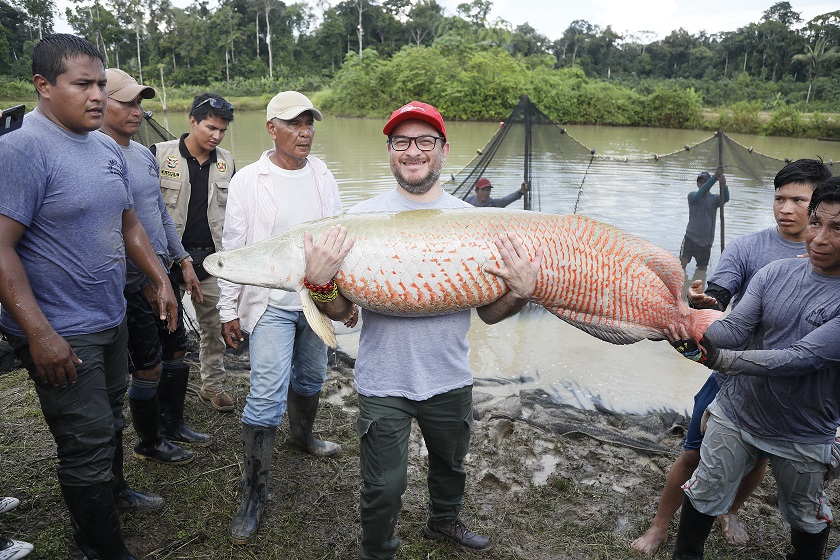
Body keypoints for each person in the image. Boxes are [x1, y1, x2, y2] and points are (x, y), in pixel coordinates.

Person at [303, 100, 543, 559]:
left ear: (443, 150)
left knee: (451, 466)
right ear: (391, 151)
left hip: (449, 377)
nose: (413, 152)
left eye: (424, 141)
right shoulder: (358, 221)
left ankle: (443, 521)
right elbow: (340, 312)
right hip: (383, 380)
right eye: (402, 142)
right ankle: (378, 550)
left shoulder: (475, 223)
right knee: (383, 486)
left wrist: (521, 293)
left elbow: (490, 315)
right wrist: (319, 284)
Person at [0, 34, 177, 559]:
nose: (98, 95)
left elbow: (128, 225)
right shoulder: (20, 152)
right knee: (85, 440)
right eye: (83, 84)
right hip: (60, 327)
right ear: (44, 86)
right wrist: (38, 334)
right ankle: (99, 547)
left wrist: (158, 278)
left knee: (112, 415)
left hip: (110, 312)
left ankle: (116, 491)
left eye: (101, 83)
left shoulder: (105, 146)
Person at [631, 158, 833, 556]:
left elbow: (801, 358)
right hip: (735, 391)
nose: (787, 209)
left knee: (784, 490)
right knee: (696, 461)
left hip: (799, 416)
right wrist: (692, 315)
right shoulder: (761, 258)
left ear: (816, 205)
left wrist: (712, 355)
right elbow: (728, 315)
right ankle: (664, 530)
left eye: (799, 201)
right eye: (779, 198)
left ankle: (731, 511)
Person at [218, 91, 351, 544]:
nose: (305, 132)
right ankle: (253, 495)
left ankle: (302, 438)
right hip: (270, 305)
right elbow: (237, 248)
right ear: (272, 128)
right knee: (264, 395)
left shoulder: (323, 174)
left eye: (309, 123)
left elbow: (339, 241)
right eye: (294, 124)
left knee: (312, 379)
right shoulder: (248, 181)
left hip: (315, 301)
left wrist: (344, 300)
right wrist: (227, 308)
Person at [102, 68, 211, 468]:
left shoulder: (143, 153)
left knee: (177, 348)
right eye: (127, 102)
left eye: (139, 103)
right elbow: (115, 227)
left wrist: (181, 259)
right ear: (100, 101)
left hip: (162, 273)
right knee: (146, 365)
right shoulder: (102, 157)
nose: (137, 111)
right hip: (133, 282)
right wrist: (148, 278)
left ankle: (173, 423)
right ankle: (148, 441)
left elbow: (160, 214)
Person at [151, 93, 236, 414]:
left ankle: (212, 385)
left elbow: (236, 217)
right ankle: (157, 391)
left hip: (211, 260)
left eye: (222, 130)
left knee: (214, 327)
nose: (216, 136)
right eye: (210, 128)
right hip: (165, 261)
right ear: (192, 122)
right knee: (163, 329)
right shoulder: (159, 155)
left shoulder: (227, 161)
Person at [680, 167, 729, 283]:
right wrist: (713, 178)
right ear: (697, 183)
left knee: (702, 270)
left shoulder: (714, 199)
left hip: (706, 242)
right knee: (682, 265)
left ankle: (697, 292)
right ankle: (681, 286)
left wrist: (724, 186)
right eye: (700, 181)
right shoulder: (692, 196)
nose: (702, 184)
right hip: (691, 237)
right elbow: (700, 194)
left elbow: (726, 199)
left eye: (704, 181)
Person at [464, 177, 529, 207]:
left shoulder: (493, 204)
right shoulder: (467, 202)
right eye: (483, 190)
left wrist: (520, 192)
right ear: (476, 191)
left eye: (488, 190)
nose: (486, 193)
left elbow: (507, 199)